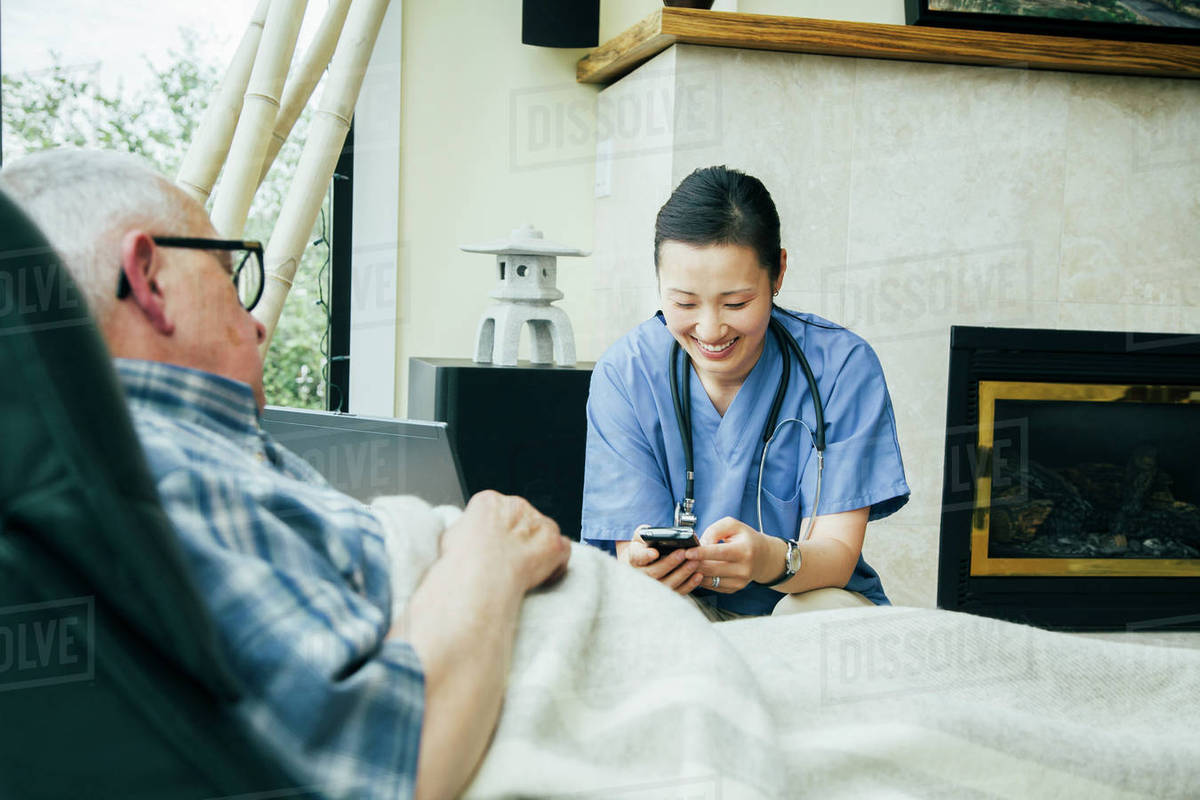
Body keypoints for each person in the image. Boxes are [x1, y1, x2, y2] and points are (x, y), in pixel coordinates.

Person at [0, 148, 571, 800]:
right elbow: (390, 763)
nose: (260, 321)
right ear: (150, 279)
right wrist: (488, 553)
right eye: (228, 271)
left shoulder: (151, 461)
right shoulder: (162, 470)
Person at [581, 165, 909, 621]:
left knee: (813, 613)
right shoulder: (627, 373)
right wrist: (641, 568)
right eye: (684, 303)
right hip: (682, 613)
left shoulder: (841, 366)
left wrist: (768, 560)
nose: (710, 329)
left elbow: (836, 553)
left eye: (736, 303)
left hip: (801, 607)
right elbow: (628, 546)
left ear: (778, 274)